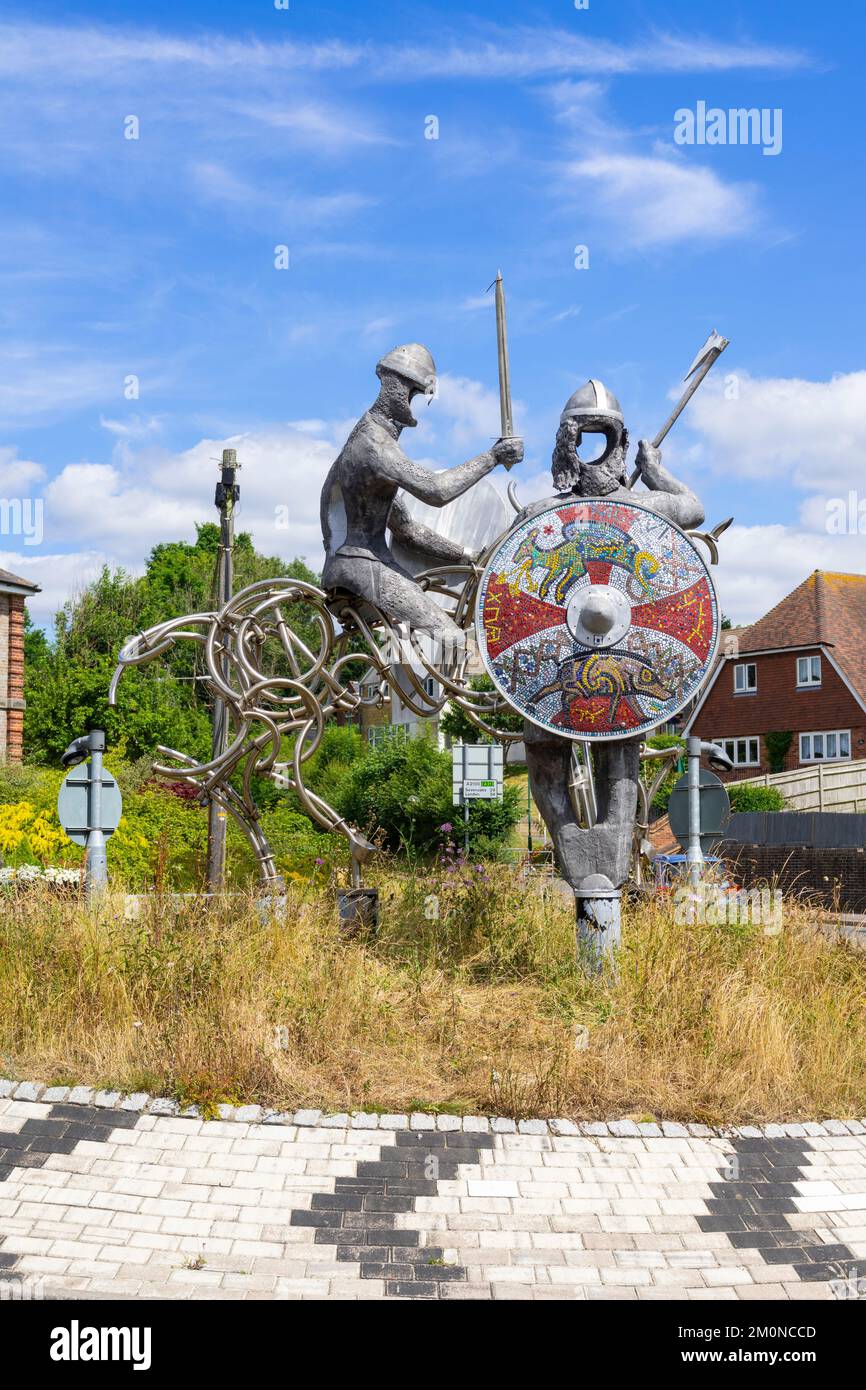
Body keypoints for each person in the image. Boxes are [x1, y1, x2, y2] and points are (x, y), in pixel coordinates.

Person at [321, 343, 523, 647]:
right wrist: (493, 457)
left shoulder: (374, 445)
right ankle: (433, 689)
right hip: (360, 566)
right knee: (452, 639)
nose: (418, 402)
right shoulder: (374, 445)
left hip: (364, 563)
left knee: (428, 634)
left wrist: (468, 555)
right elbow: (436, 491)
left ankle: (408, 685)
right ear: (397, 386)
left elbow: (408, 532)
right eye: (415, 392)